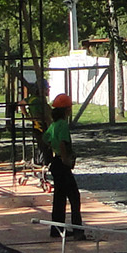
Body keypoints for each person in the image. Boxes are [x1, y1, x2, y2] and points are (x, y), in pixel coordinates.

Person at [42, 93, 84, 239]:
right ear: (66, 109)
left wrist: (53, 150)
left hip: (55, 163)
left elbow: (45, 139)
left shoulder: (53, 125)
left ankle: (56, 229)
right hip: (62, 164)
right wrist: (66, 158)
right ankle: (78, 230)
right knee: (74, 197)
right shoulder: (63, 125)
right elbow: (62, 142)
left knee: (59, 198)